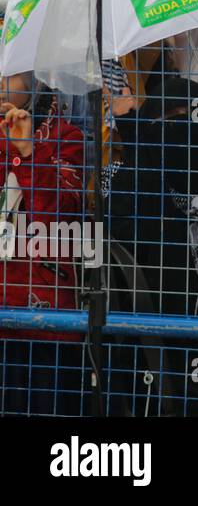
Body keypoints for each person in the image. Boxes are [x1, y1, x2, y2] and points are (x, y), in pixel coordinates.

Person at [0, 73, 84, 415]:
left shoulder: (65, 135)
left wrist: (25, 152)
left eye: (12, 70)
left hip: (43, 311)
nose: (2, 78)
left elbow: (58, 213)